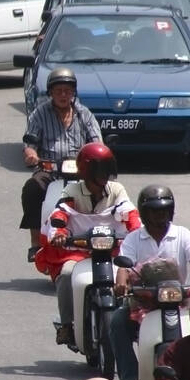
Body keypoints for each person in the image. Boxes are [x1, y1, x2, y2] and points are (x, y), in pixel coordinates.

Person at [109, 185, 190, 380]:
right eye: (155, 211)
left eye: (165, 210)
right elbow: (123, 266)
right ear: (144, 212)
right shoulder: (133, 239)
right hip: (142, 302)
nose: (161, 215)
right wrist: (120, 283)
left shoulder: (182, 235)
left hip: (178, 302)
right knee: (117, 321)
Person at [36, 142, 141, 347]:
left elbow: (130, 213)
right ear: (86, 171)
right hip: (78, 251)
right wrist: (59, 233)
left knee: (135, 274)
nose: (104, 175)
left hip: (112, 249)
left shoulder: (117, 190)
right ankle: (67, 325)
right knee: (66, 275)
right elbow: (60, 214)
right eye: (99, 170)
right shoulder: (72, 190)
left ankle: (134, 319)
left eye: (107, 168)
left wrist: (137, 233)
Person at [21, 68, 103, 261]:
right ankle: (35, 243)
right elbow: (29, 144)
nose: (63, 95)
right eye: (58, 91)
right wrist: (31, 155)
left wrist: (99, 156)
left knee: (103, 191)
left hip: (81, 170)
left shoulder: (85, 114)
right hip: (49, 170)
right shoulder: (39, 113)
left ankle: (103, 238)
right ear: (51, 93)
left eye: (67, 90)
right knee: (32, 188)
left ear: (74, 92)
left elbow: (97, 142)